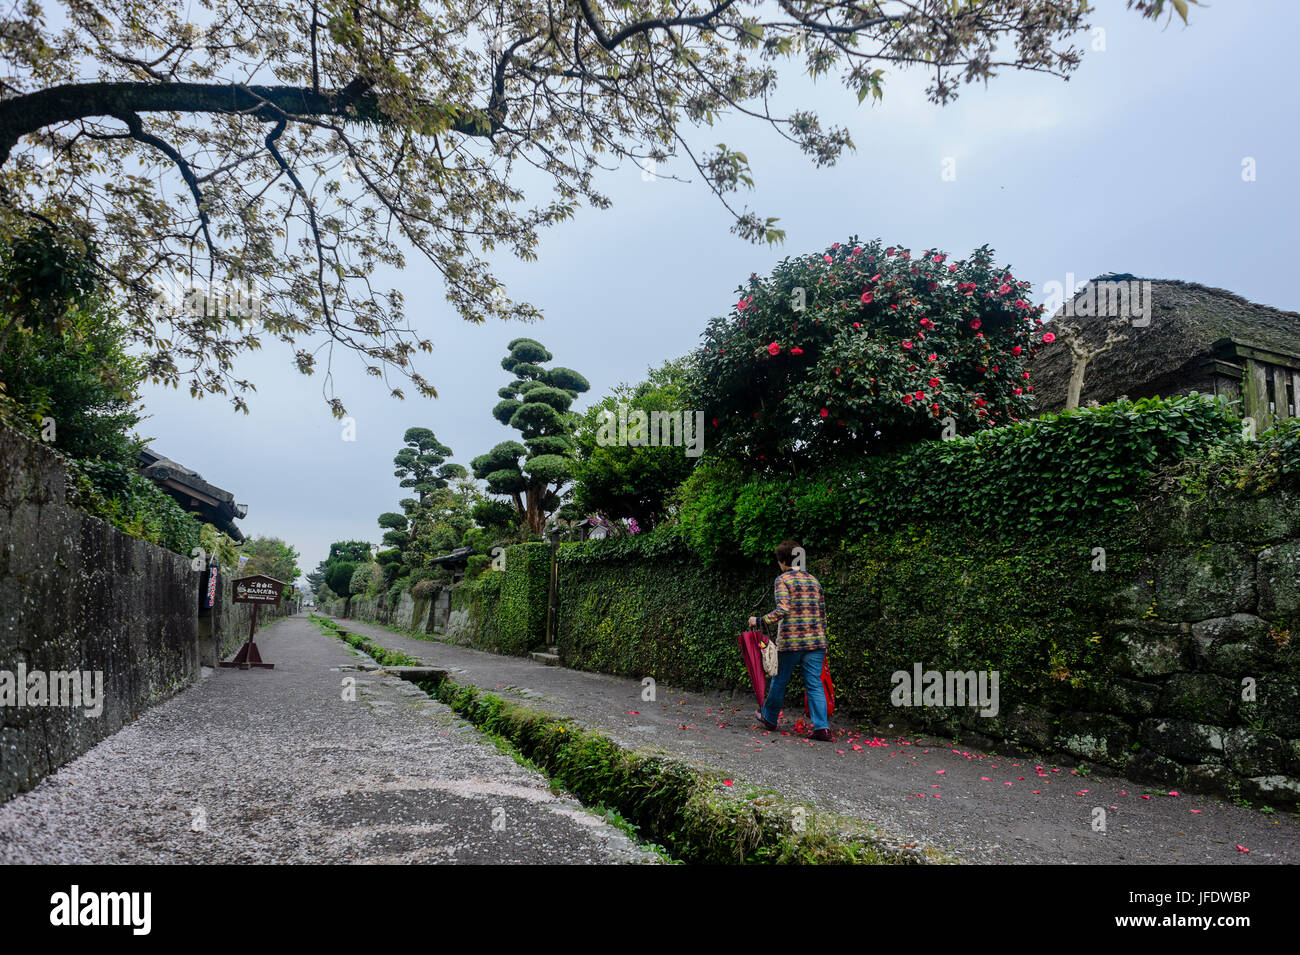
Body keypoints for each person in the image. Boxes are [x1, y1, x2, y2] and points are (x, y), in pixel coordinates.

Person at [748, 539, 832, 742]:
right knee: (814, 684)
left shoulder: (783, 580)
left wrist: (759, 620)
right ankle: (822, 727)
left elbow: (783, 609)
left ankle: (769, 718)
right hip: (816, 641)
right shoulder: (814, 580)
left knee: (779, 680)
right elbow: (822, 613)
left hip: (792, 642)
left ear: (783, 561)